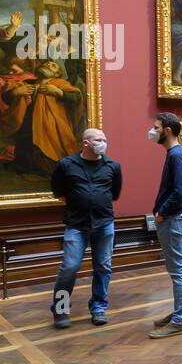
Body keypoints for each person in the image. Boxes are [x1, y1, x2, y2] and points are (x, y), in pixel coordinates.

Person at [49, 128, 121, 328]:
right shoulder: (66, 165)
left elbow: (114, 193)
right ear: (86, 143)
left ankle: (99, 308)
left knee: (103, 267)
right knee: (69, 268)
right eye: (98, 139)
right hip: (76, 225)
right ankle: (61, 309)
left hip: (104, 224)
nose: (103, 142)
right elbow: (58, 191)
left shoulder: (113, 166)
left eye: (105, 139)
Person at [149, 112, 182, 337]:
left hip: (172, 219)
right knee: (180, 269)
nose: (152, 131)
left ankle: (181, 320)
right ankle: (180, 312)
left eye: (156, 128)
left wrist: (161, 213)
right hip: (175, 218)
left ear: (167, 130)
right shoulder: (178, 152)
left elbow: (180, 191)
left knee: (178, 271)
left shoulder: (176, 154)